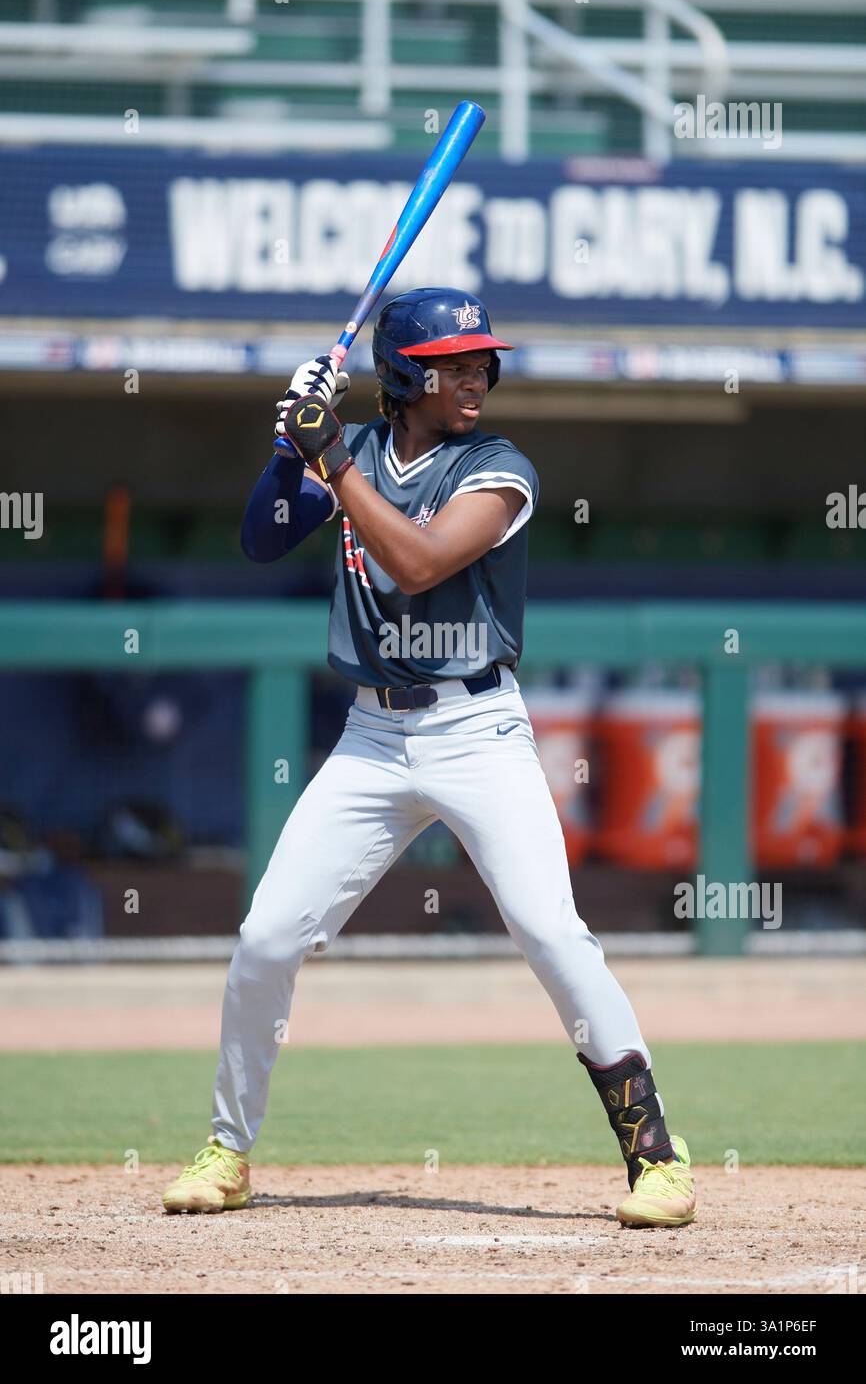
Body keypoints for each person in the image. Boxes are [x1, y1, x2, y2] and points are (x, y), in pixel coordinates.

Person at [162, 288, 697, 1229]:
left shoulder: (499, 467)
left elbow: (416, 562)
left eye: (481, 362)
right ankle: (228, 1150)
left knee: (550, 932)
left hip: (476, 730)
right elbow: (260, 538)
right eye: (453, 365)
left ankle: (657, 1158)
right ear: (405, 375)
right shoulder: (357, 451)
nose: (475, 379)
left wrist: (326, 454)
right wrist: (291, 444)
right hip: (371, 737)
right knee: (265, 941)